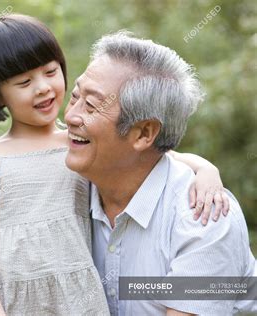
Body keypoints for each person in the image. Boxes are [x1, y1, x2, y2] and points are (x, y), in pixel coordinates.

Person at [0, 15, 229, 315]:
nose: (43, 88)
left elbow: (162, 155)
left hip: (77, 299)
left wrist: (206, 170)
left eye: (50, 72)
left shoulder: (77, 146)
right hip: (12, 300)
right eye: (24, 82)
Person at [64, 31, 256, 315]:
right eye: (75, 96)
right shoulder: (66, 185)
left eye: (91, 106)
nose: (70, 117)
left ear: (144, 134)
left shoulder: (205, 219)